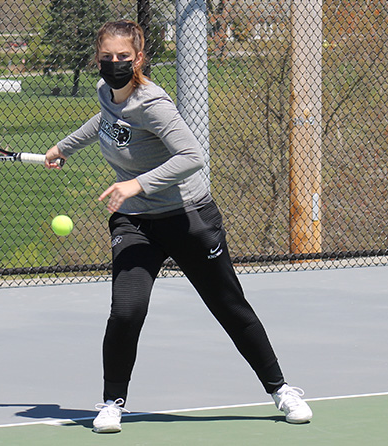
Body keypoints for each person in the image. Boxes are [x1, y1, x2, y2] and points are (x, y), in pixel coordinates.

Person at [44, 19, 312, 433]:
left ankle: (281, 390)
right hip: (136, 223)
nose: (114, 64)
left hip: (189, 218)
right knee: (126, 310)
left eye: (123, 58)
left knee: (229, 306)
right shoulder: (105, 92)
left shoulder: (154, 103)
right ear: (98, 59)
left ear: (139, 59)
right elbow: (105, 121)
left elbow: (191, 155)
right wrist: (64, 147)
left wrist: (137, 183)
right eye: (107, 58)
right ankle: (113, 403)